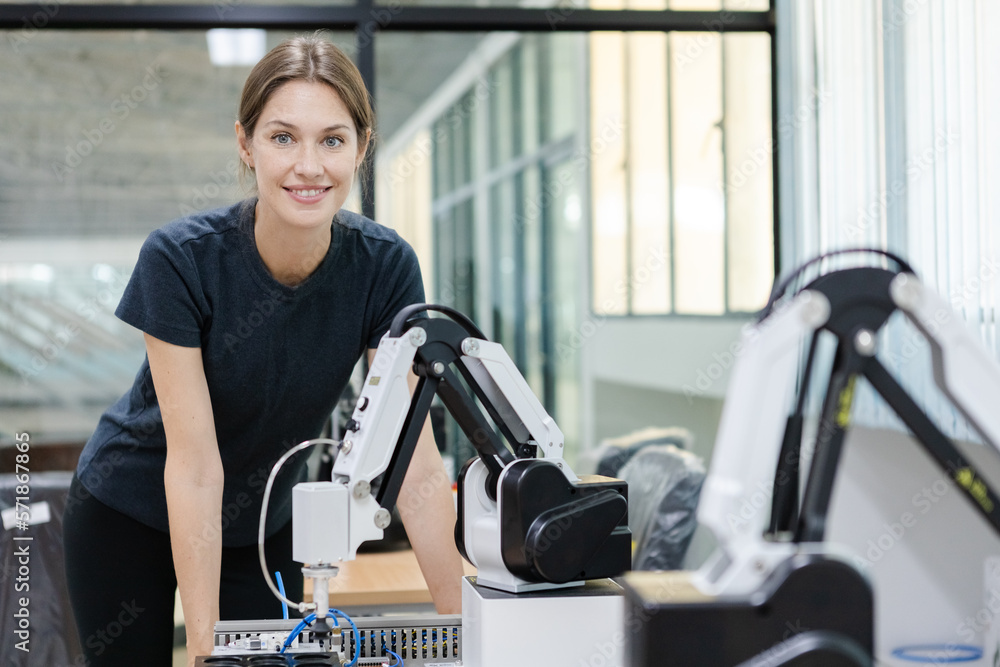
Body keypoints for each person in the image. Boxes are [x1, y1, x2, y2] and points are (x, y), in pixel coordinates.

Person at [63, 34, 463, 667]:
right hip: (129, 508)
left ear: (361, 149)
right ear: (246, 145)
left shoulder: (384, 267)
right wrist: (204, 648)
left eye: (332, 140)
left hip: (260, 523)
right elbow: (194, 468)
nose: (309, 166)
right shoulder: (181, 260)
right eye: (283, 138)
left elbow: (412, 459)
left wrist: (463, 628)